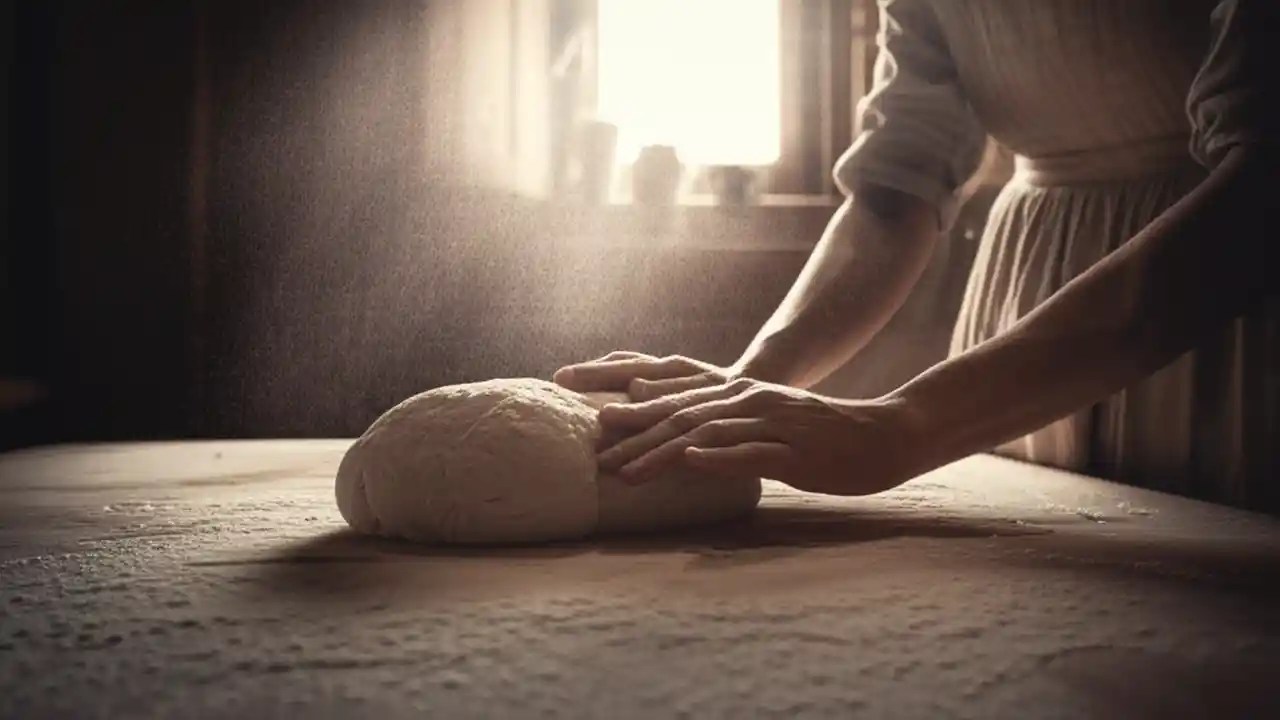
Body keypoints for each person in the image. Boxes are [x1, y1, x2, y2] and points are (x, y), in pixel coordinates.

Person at [553, 0, 1277, 511]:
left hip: (1215, 297)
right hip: (1025, 299)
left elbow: (1259, 199)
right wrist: (753, 377)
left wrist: (903, 427)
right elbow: (896, 188)